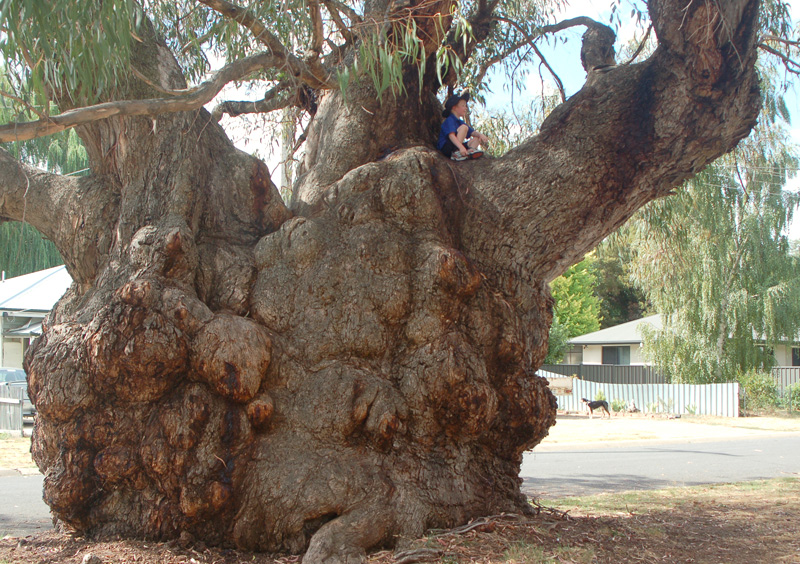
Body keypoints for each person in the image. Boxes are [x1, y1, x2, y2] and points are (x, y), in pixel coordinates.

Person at [437, 92, 488, 161]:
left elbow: (472, 132)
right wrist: (461, 147)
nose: (466, 108)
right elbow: (451, 136)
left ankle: (470, 152)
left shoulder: (460, 122)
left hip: (457, 145)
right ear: (454, 107)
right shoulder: (450, 120)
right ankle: (456, 153)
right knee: (464, 127)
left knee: (477, 138)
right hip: (447, 147)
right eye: (463, 106)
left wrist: (480, 135)